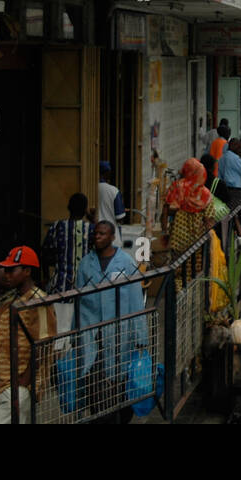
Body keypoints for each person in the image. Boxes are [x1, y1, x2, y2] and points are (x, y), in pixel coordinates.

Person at [75, 220, 144, 424]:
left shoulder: (125, 263)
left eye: (103, 234)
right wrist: (74, 334)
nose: (98, 237)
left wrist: (141, 338)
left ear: (113, 237)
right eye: (96, 233)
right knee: (94, 381)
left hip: (119, 335)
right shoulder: (86, 264)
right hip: (92, 334)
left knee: (120, 382)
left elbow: (135, 301)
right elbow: (78, 300)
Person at [0, 246, 56, 424]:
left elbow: (44, 343)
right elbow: (2, 344)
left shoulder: (38, 300)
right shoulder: (10, 300)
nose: (6, 275)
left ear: (26, 271)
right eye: (5, 270)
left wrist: (24, 380)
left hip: (18, 385)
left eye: (11, 270)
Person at [42, 192, 94, 295]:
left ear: (68, 207)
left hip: (60, 287)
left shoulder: (56, 227)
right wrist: (92, 218)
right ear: (85, 210)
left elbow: (45, 255)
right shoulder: (91, 229)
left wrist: (46, 278)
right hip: (86, 287)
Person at [164, 157, 217, 258]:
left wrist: (164, 231)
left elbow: (167, 209)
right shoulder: (205, 194)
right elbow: (208, 220)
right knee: (194, 269)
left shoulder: (176, 187)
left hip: (178, 238)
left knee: (178, 267)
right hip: (197, 240)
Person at [97, 161, 125, 230]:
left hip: (95, 230)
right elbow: (120, 217)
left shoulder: (89, 189)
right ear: (106, 173)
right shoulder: (114, 191)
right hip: (110, 231)